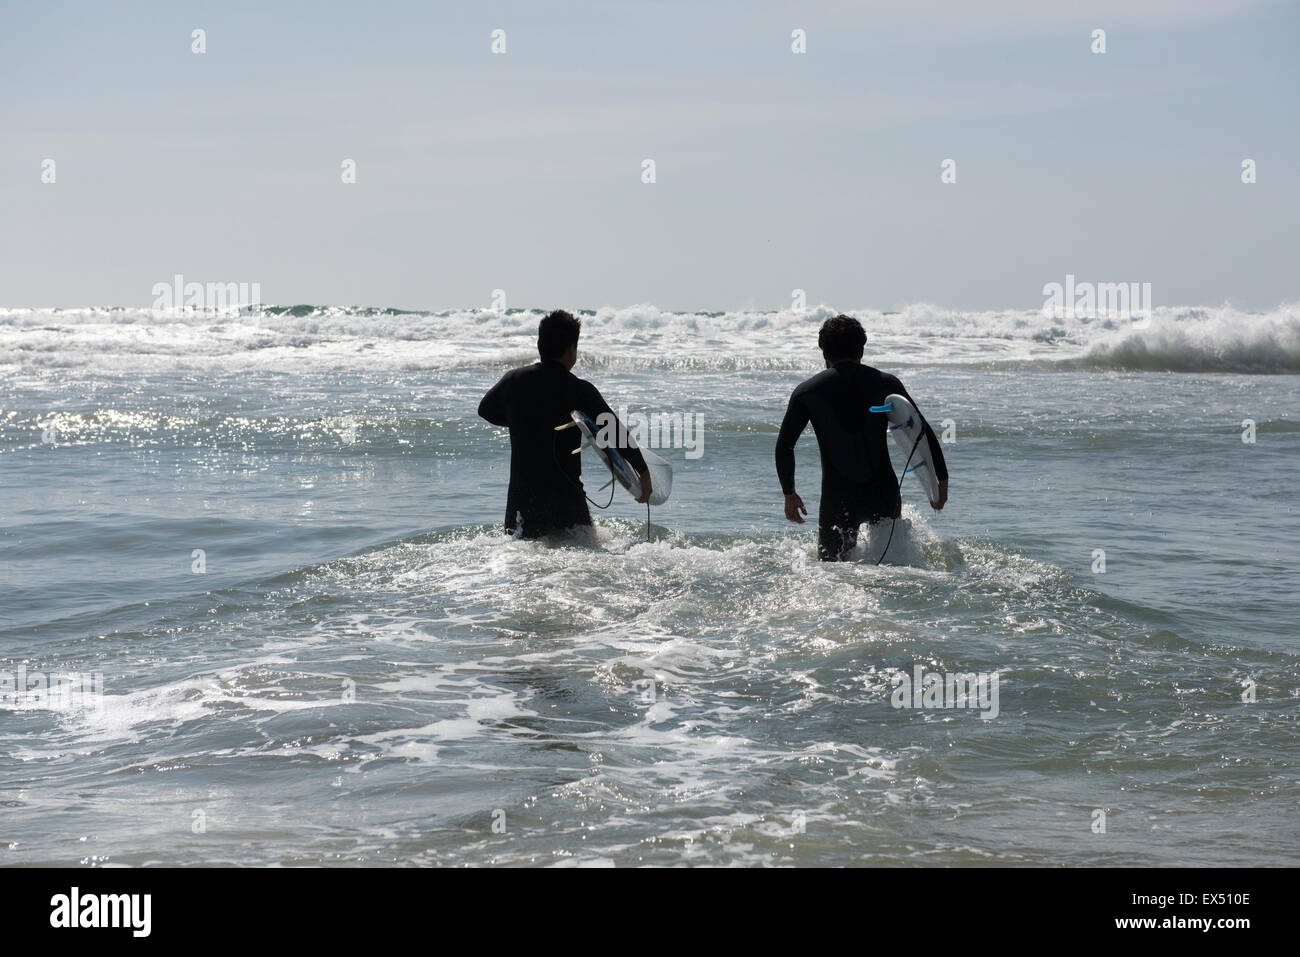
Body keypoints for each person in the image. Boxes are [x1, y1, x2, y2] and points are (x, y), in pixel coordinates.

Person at [775, 314, 948, 561]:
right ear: (862, 350)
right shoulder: (885, 383)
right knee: (893, 568)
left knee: (833, 573)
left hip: (837, 497)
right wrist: (940, 480)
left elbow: (784, 446)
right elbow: (922, 430)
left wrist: (789, 494)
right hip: (883, 492)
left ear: (824, 353)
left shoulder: (808, 391)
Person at [478, 310, 651, 538]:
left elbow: (485, 410)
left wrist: (522, 421)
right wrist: (644, 472)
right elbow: (613, 430)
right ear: (571, 349)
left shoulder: (513, 381)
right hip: (566, 505)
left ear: (540, 344)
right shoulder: (578, 389)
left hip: (521, 505)